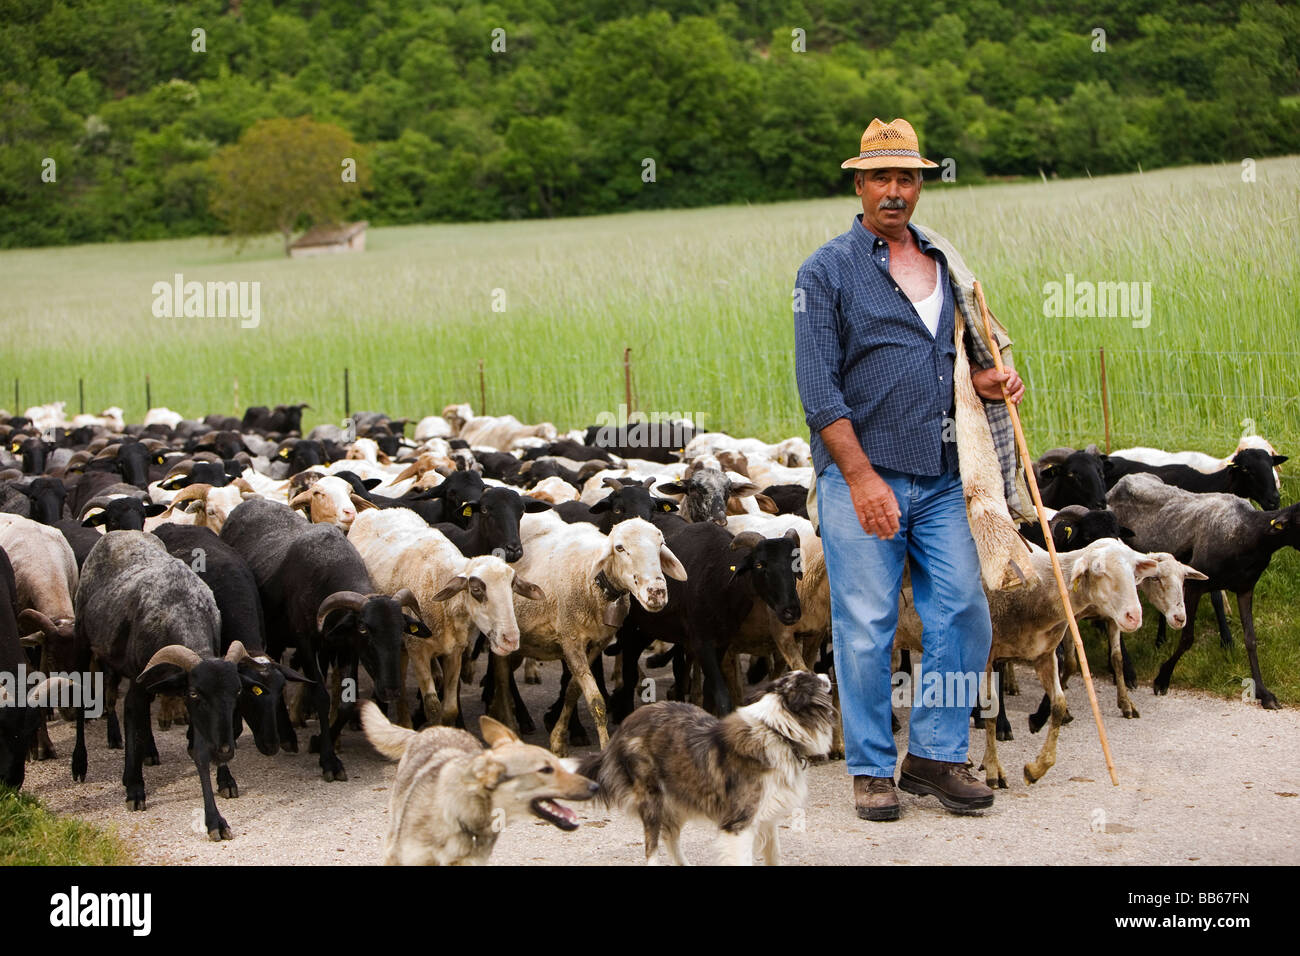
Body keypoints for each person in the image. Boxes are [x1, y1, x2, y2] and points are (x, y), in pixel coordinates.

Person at [793, 117, 1025, 821]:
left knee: (963, 611)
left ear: (920, 184)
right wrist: (862, 480)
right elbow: (818, 389)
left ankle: (932, 755)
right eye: (881, 178)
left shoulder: (944, 264)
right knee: (865, 625)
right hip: (862, 475)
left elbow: (955, 355)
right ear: (859, 184)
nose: (894, 191)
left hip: (945, 473)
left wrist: (986, 383)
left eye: (907, 178)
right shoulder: (825, 272)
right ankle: (868, 768)